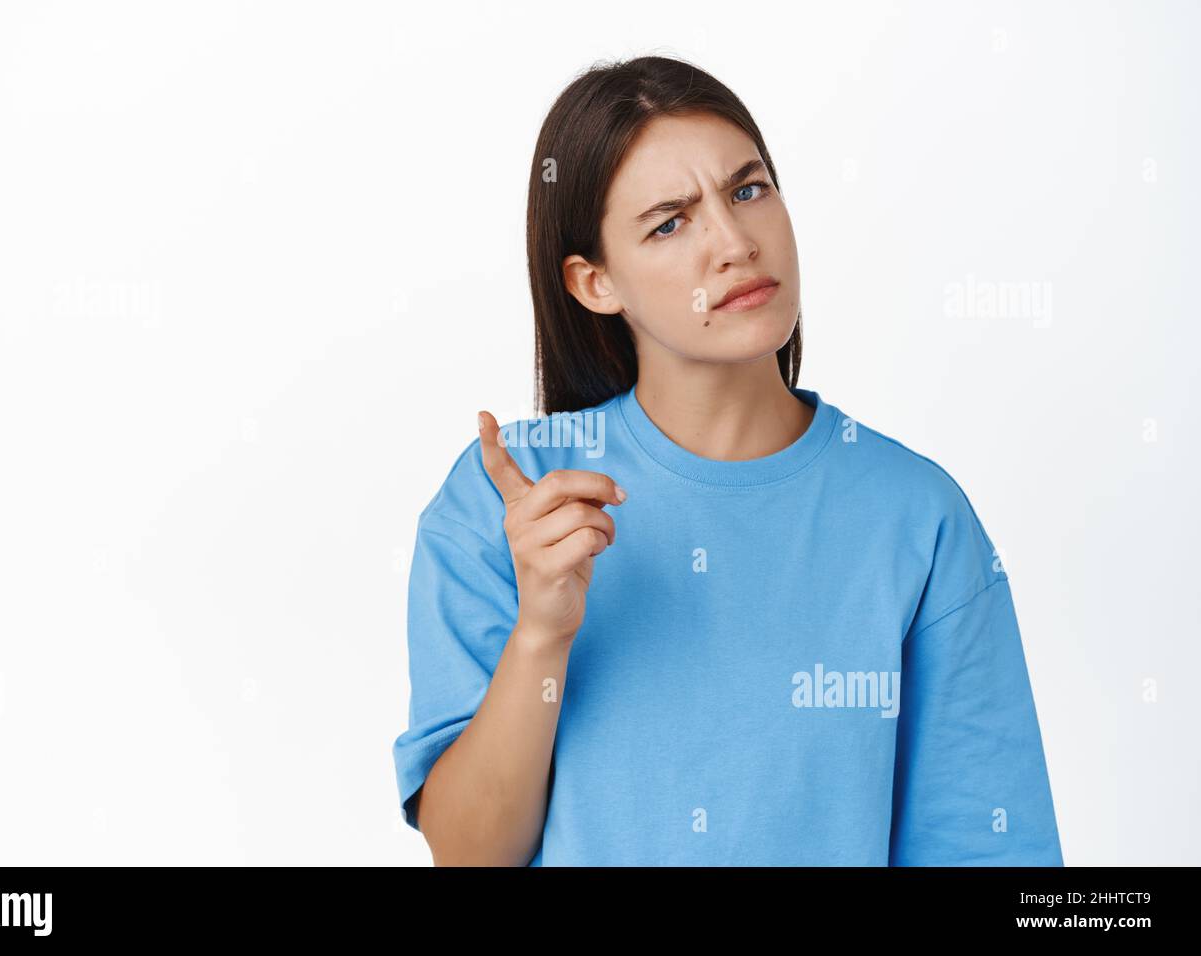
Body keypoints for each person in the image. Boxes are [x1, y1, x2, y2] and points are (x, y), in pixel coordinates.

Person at [391, 54, 1063, 866]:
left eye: (748, 190)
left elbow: (986, 849)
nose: (736, 243)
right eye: (670, 221)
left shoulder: (918, 517)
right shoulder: (514, 500)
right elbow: (469, 853)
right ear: (596, 281)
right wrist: (541, 631)